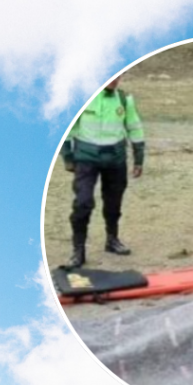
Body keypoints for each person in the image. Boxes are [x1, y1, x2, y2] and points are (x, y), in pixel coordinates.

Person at [62, 77, 145, 269]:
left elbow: (134, 128)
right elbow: (68, 128)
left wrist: (139, 158)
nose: (115, 81)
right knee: (83, 203)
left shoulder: (124, 100)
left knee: (113, 203)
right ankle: (78, 251)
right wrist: (67, 156)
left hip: (115, 159)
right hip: (86, 158)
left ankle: (112, 240)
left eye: (118, 77)